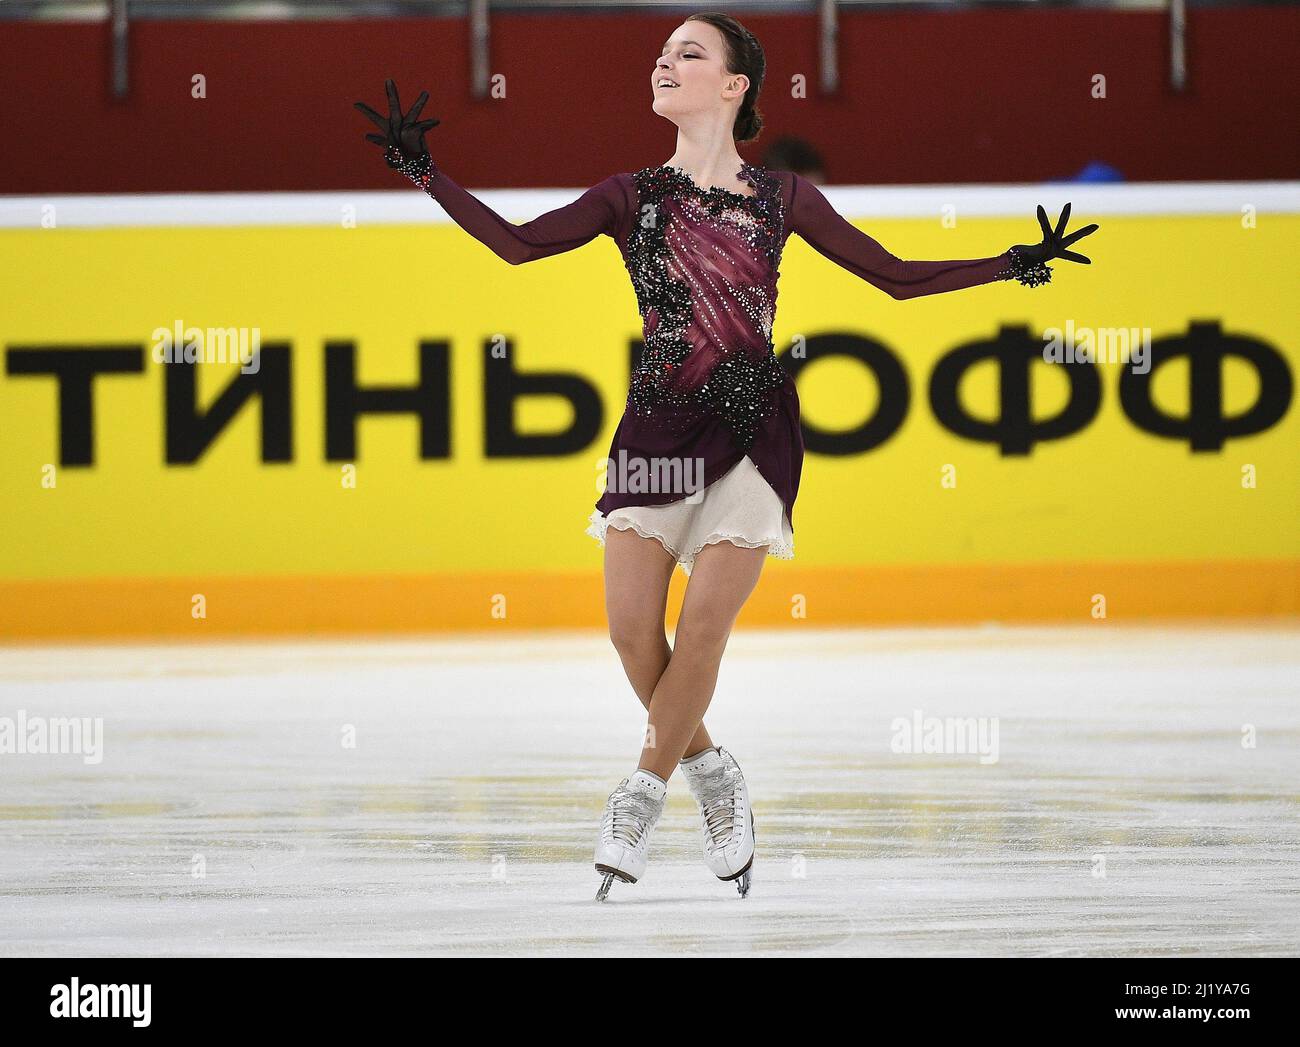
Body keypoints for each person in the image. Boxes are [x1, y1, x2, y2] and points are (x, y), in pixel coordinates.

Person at [354, 12, 1098, 903]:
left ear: (734, 86)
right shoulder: (629, 194)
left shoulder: (782, 197)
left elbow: (893, 275)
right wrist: (425, 174)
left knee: (703, 627)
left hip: (754, 432)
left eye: (688, 54)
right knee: (634, 633)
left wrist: (1012, 261)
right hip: (657, 430)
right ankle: (714, 772)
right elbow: (520, 246)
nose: (665, 63)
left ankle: (638, 795)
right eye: (661, 53)